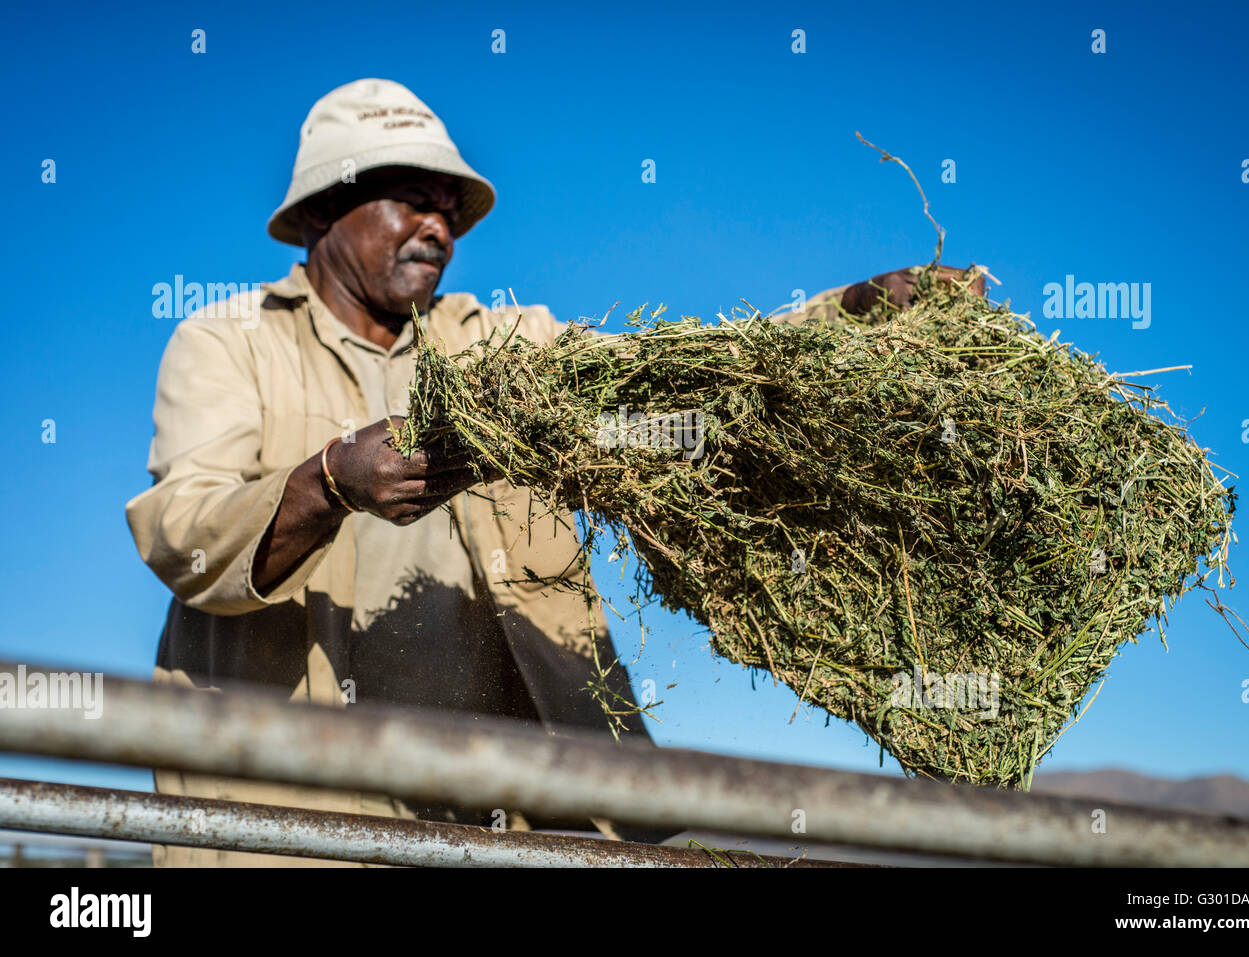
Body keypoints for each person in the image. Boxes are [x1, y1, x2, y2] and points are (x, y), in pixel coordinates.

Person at [126, 77, 980, 867]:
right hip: (300, 822)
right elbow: (186, 533)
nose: (439, 227)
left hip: (508, 822)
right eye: (411, 201)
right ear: (322, 209)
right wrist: (331, 480)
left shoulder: (501, 344)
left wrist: (844, 317)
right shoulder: (229, 343)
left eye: (450, 210)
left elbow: (670, 380)